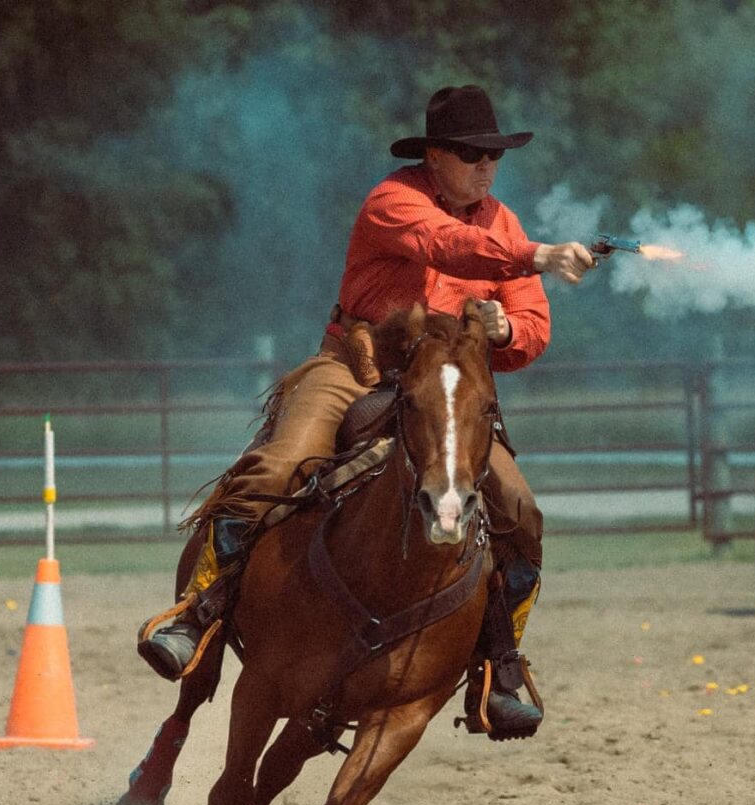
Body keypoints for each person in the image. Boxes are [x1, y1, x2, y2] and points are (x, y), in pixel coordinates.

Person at [137, 84, 596, 740]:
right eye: (471, 153)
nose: (486, 166)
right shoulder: (395, 200)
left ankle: (502, 663)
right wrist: (536, 256)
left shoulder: (504, 223)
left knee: (519, 512)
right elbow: (443, 246)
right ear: (434, 156)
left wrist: (500, 333)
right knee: (278, 467)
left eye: (493, 155)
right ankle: (198, 610)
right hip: (359, 370)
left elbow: (530, 328)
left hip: (442, 393)